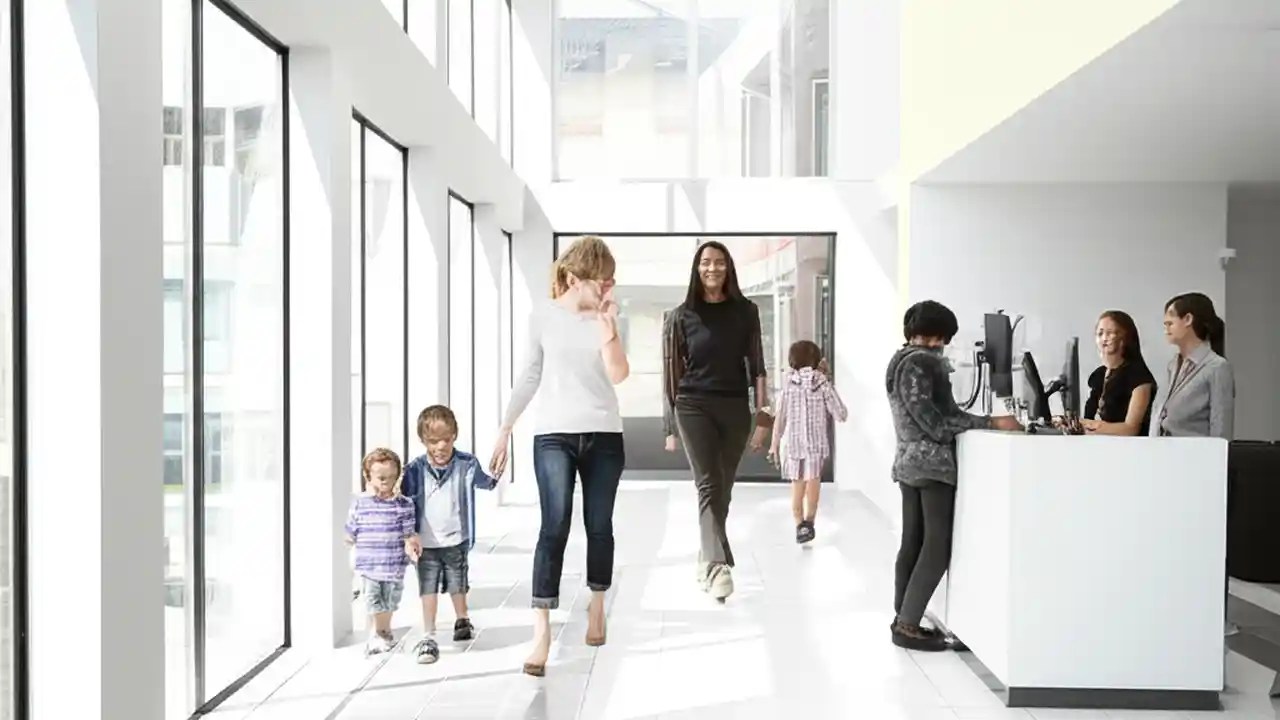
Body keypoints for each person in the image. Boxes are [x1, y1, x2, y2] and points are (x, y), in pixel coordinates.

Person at [489, 235, 629, 678]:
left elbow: (619, 375)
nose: (608, 288)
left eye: (611, 281)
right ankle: (542, 631)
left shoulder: (606, 317)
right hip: (553, 435)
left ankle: (598, 603)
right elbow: (531, 374)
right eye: (601, 281)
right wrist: (505, 427)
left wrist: (608, 332)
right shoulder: (543, 316)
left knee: (599, 525)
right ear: (574, 278)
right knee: (554, 525)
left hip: (604, 434)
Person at [885, 300, 1021, 651]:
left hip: (907, 462)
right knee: (936, 545)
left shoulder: (899, 359)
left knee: (913, 542)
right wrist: (991, 422)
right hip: (932, 465)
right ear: (937, 333)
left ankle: (904, 616)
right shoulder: (924, 362)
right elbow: (936, 422)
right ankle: (908, 625)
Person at [661, 240, 771, 603]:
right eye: (706, 263)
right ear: (696, 268)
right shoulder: (680, 316)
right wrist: (669, 426)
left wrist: (764, 416)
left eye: (719, 263)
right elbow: (671, 375)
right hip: (693, 407)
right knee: (708, 484)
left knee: (723, 488)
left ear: (729, 268)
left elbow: (757, 366)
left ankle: (706, 554)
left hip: (735, 407)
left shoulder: (746, 311)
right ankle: (717, 565)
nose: (712, 269)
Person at [400, 405, 499, 665]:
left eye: (446, 439)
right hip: (426, 542)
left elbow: (484, 482)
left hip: (456, 537)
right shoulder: (413, 470)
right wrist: (408, 535)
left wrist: (496, 474)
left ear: (455, 435)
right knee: (428, 586)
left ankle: (462, 618)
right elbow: (404, 503)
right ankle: (428, 635)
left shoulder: (466, 464)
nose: (440, 446)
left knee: (458, 581)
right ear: (423, 441)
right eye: (433, 441)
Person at [768, 341, 847, 544]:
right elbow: (841, 414)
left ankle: (798, 524)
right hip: (816, 446)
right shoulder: (822, 383)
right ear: (817, 360)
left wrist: (774, 445)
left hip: (793, 446)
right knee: (813, 482)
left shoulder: (787, 384)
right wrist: (828, 379)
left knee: (797, 486)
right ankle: (809, 524)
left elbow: (780, 418)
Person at [345, 448, 420, 656]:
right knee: (372, 599)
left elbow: (408, 532)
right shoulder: (360, 503)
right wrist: (347, 542)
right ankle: (378, 633)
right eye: (380, 477)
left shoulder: (404, 505)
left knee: (390, 601)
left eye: (391, 477)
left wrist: (412, 547)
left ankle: (384, 632)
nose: (386, 482)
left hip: (394, 564)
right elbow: (351, 529)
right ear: (368, 476)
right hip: (369, 565)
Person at [1150, 292, 1234, 440]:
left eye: (1170, 323)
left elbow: (1220, 427)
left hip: (1195, 456)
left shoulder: (1217, 367)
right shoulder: (1172, 365)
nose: (1166, 327)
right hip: (1162, 454)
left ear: (1188, 319)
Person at [1080, 310, 1157, 436]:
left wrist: (1091, 426)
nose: (1104, 338)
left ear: (1125, 338)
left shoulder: (1139, 377)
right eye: (1100, 334)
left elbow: (1131, 429)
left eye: (1110, 333)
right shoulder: (1099, 375)